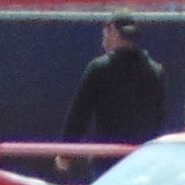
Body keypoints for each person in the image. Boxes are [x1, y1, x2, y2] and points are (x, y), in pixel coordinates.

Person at [64, 16, 166, 145]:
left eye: (105, 34)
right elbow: (160, 119)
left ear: (112, 31)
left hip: (106, 158)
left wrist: (66, 154)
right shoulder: (156, 71)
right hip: (141, 158)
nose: (103, 41)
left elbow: (79, 115)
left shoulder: (99, 69)